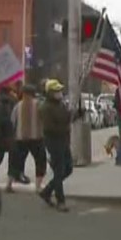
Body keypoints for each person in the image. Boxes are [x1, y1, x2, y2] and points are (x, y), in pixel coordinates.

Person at [38, 79, 83, 212]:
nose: (60, 93)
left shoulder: (60, 105)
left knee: (68, 169)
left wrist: (78, 114)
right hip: (53, 141)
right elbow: (50, 127)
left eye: (60, 90)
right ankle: (60, 201)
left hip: (63, 140)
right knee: (59, 171)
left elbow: (67, 118)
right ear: (50, 92)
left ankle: (47, 191)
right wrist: (65, 126)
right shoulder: (45, 107)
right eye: (57, 91)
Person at [9, 84, 47, 193]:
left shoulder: (18, 106)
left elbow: (13, 121)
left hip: (20, 138)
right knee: (40, 162)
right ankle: (38, 187)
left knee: (15, 162)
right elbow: (44, 119)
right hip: (36, 138)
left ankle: (9, 184)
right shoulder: (39, 104)